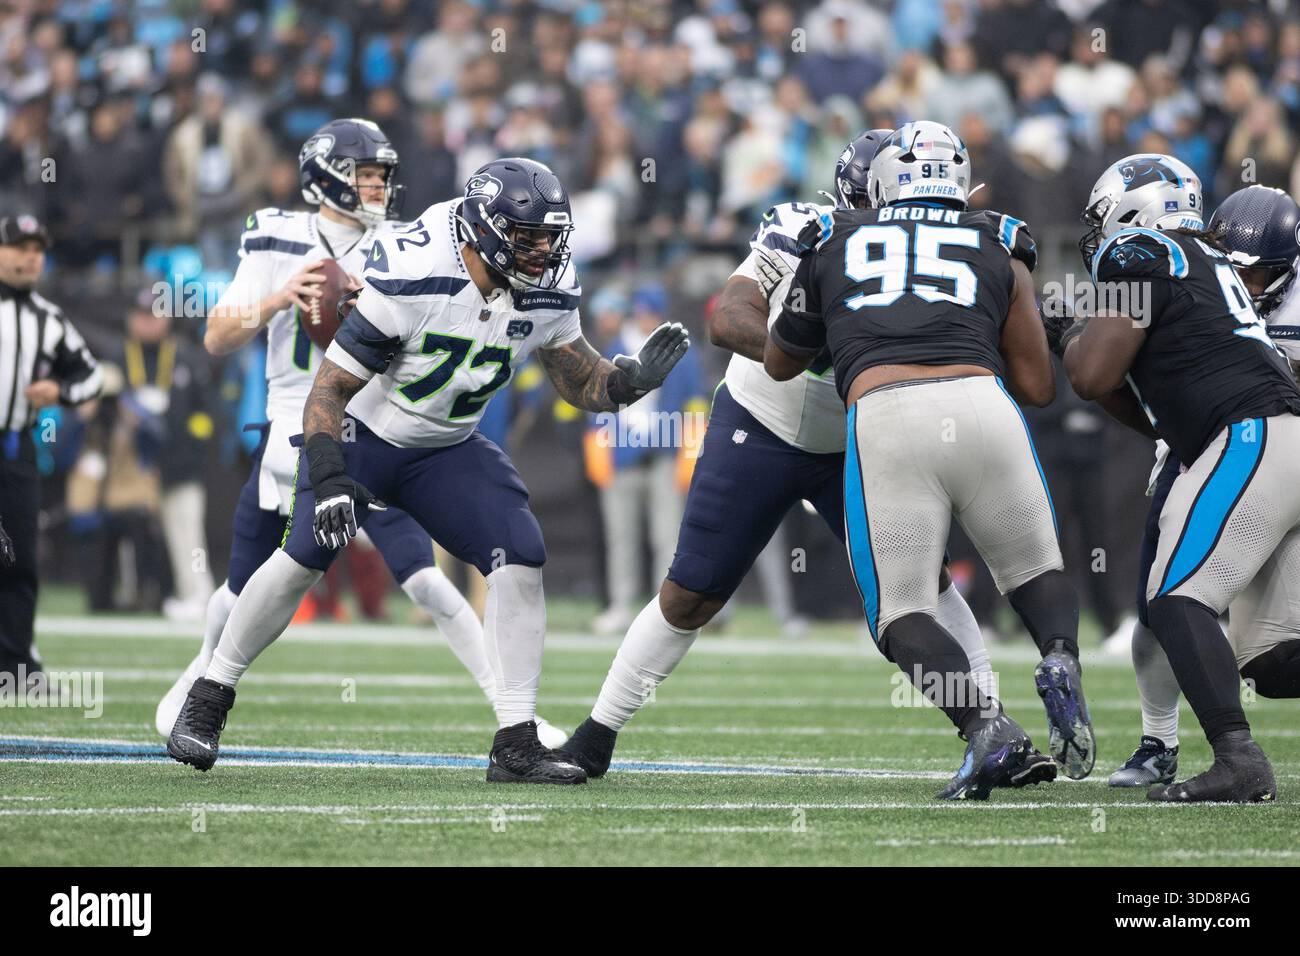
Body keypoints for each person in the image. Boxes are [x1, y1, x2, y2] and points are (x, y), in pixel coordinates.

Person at [166, 157, 689, 784]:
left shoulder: (550, 283)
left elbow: (579, 378)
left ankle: (516, 742)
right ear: (486, 231)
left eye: (551, 236)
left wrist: (628, 382)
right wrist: (330, 477)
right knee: (306, 550)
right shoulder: (416, 268)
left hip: (447, 447)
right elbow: (329, 391)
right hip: (364, 434)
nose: (543, 251)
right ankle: (209, 695)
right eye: (528, 238)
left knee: (521, 552)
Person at [560, 129, 1042, 790]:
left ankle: (993, 729)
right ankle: (596, 735)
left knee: (920, 586)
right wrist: (816, 348)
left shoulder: (950, 247)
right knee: (691, 592)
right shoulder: (806, 229)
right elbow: (726, 318)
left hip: (862, 439)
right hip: (761, 424)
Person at [154, 121, 566, 748]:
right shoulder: (279, 236)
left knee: (425, 579)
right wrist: (280, 299)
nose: (378, 186)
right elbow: (215, 336)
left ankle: (514, 717)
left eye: (383, 175)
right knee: (255, 581)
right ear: (324, 177)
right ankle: (199, 683)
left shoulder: (403, 243)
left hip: (377, 428)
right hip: (297, 423)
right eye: (365, 174)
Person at [763, 121, 1091, 799]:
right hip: (983, 404)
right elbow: (1037, 385)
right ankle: (1059, 654)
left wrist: (845, 327)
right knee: (1033, 568)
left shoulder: (831, 237)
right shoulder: (1000, 236)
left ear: (881, 182)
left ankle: (985, 729)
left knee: (902, 612)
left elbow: (778, 360)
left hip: (889, 412)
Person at [1053, 155, 1300, 802]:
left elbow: (1091, 375)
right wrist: (1072, 340)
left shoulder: (1142, 249)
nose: (1099, 233)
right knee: (1273, 662)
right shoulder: (1206, 258)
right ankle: (1230, 755)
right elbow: (1152, 412)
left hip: (1253, 434)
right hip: (1270, 435)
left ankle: (1238, 760)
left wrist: (1066, 336)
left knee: (1174, 600)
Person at [0, 215, 102, 683]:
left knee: (21, 555)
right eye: (19, 247)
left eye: (37, 249)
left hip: (16, 448)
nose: (29, 257)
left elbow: (91, 376)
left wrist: (57, 391)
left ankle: (16, 664)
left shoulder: (48, 318)